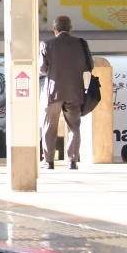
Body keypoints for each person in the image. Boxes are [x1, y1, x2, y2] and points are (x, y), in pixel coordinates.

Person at [40, 14, 94, 169]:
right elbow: (89, 66)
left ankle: (49, 161)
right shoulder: (81, 44)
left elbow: (42, 69)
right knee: (74, 126)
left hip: (53, 92)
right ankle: (72, 161)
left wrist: (54, 71)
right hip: (75, 91)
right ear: (71, 28)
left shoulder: (46, 44)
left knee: (49, 126)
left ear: (54, 29)